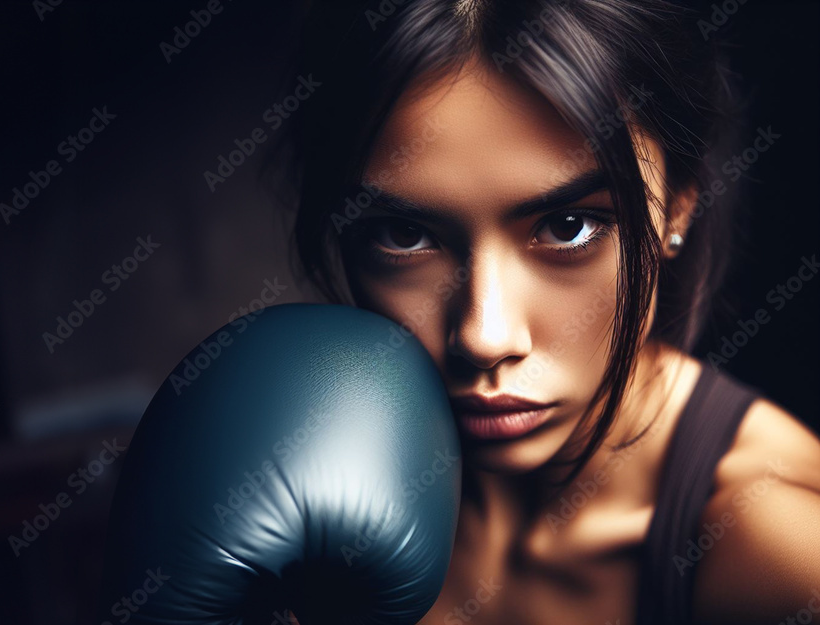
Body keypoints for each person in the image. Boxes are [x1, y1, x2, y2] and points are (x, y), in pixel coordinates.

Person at [278, 1, 820, 623]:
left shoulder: (779, 548)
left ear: (677, 207)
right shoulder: (317, 479)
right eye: (402, 234)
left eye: (568, 227)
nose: (484, 338)